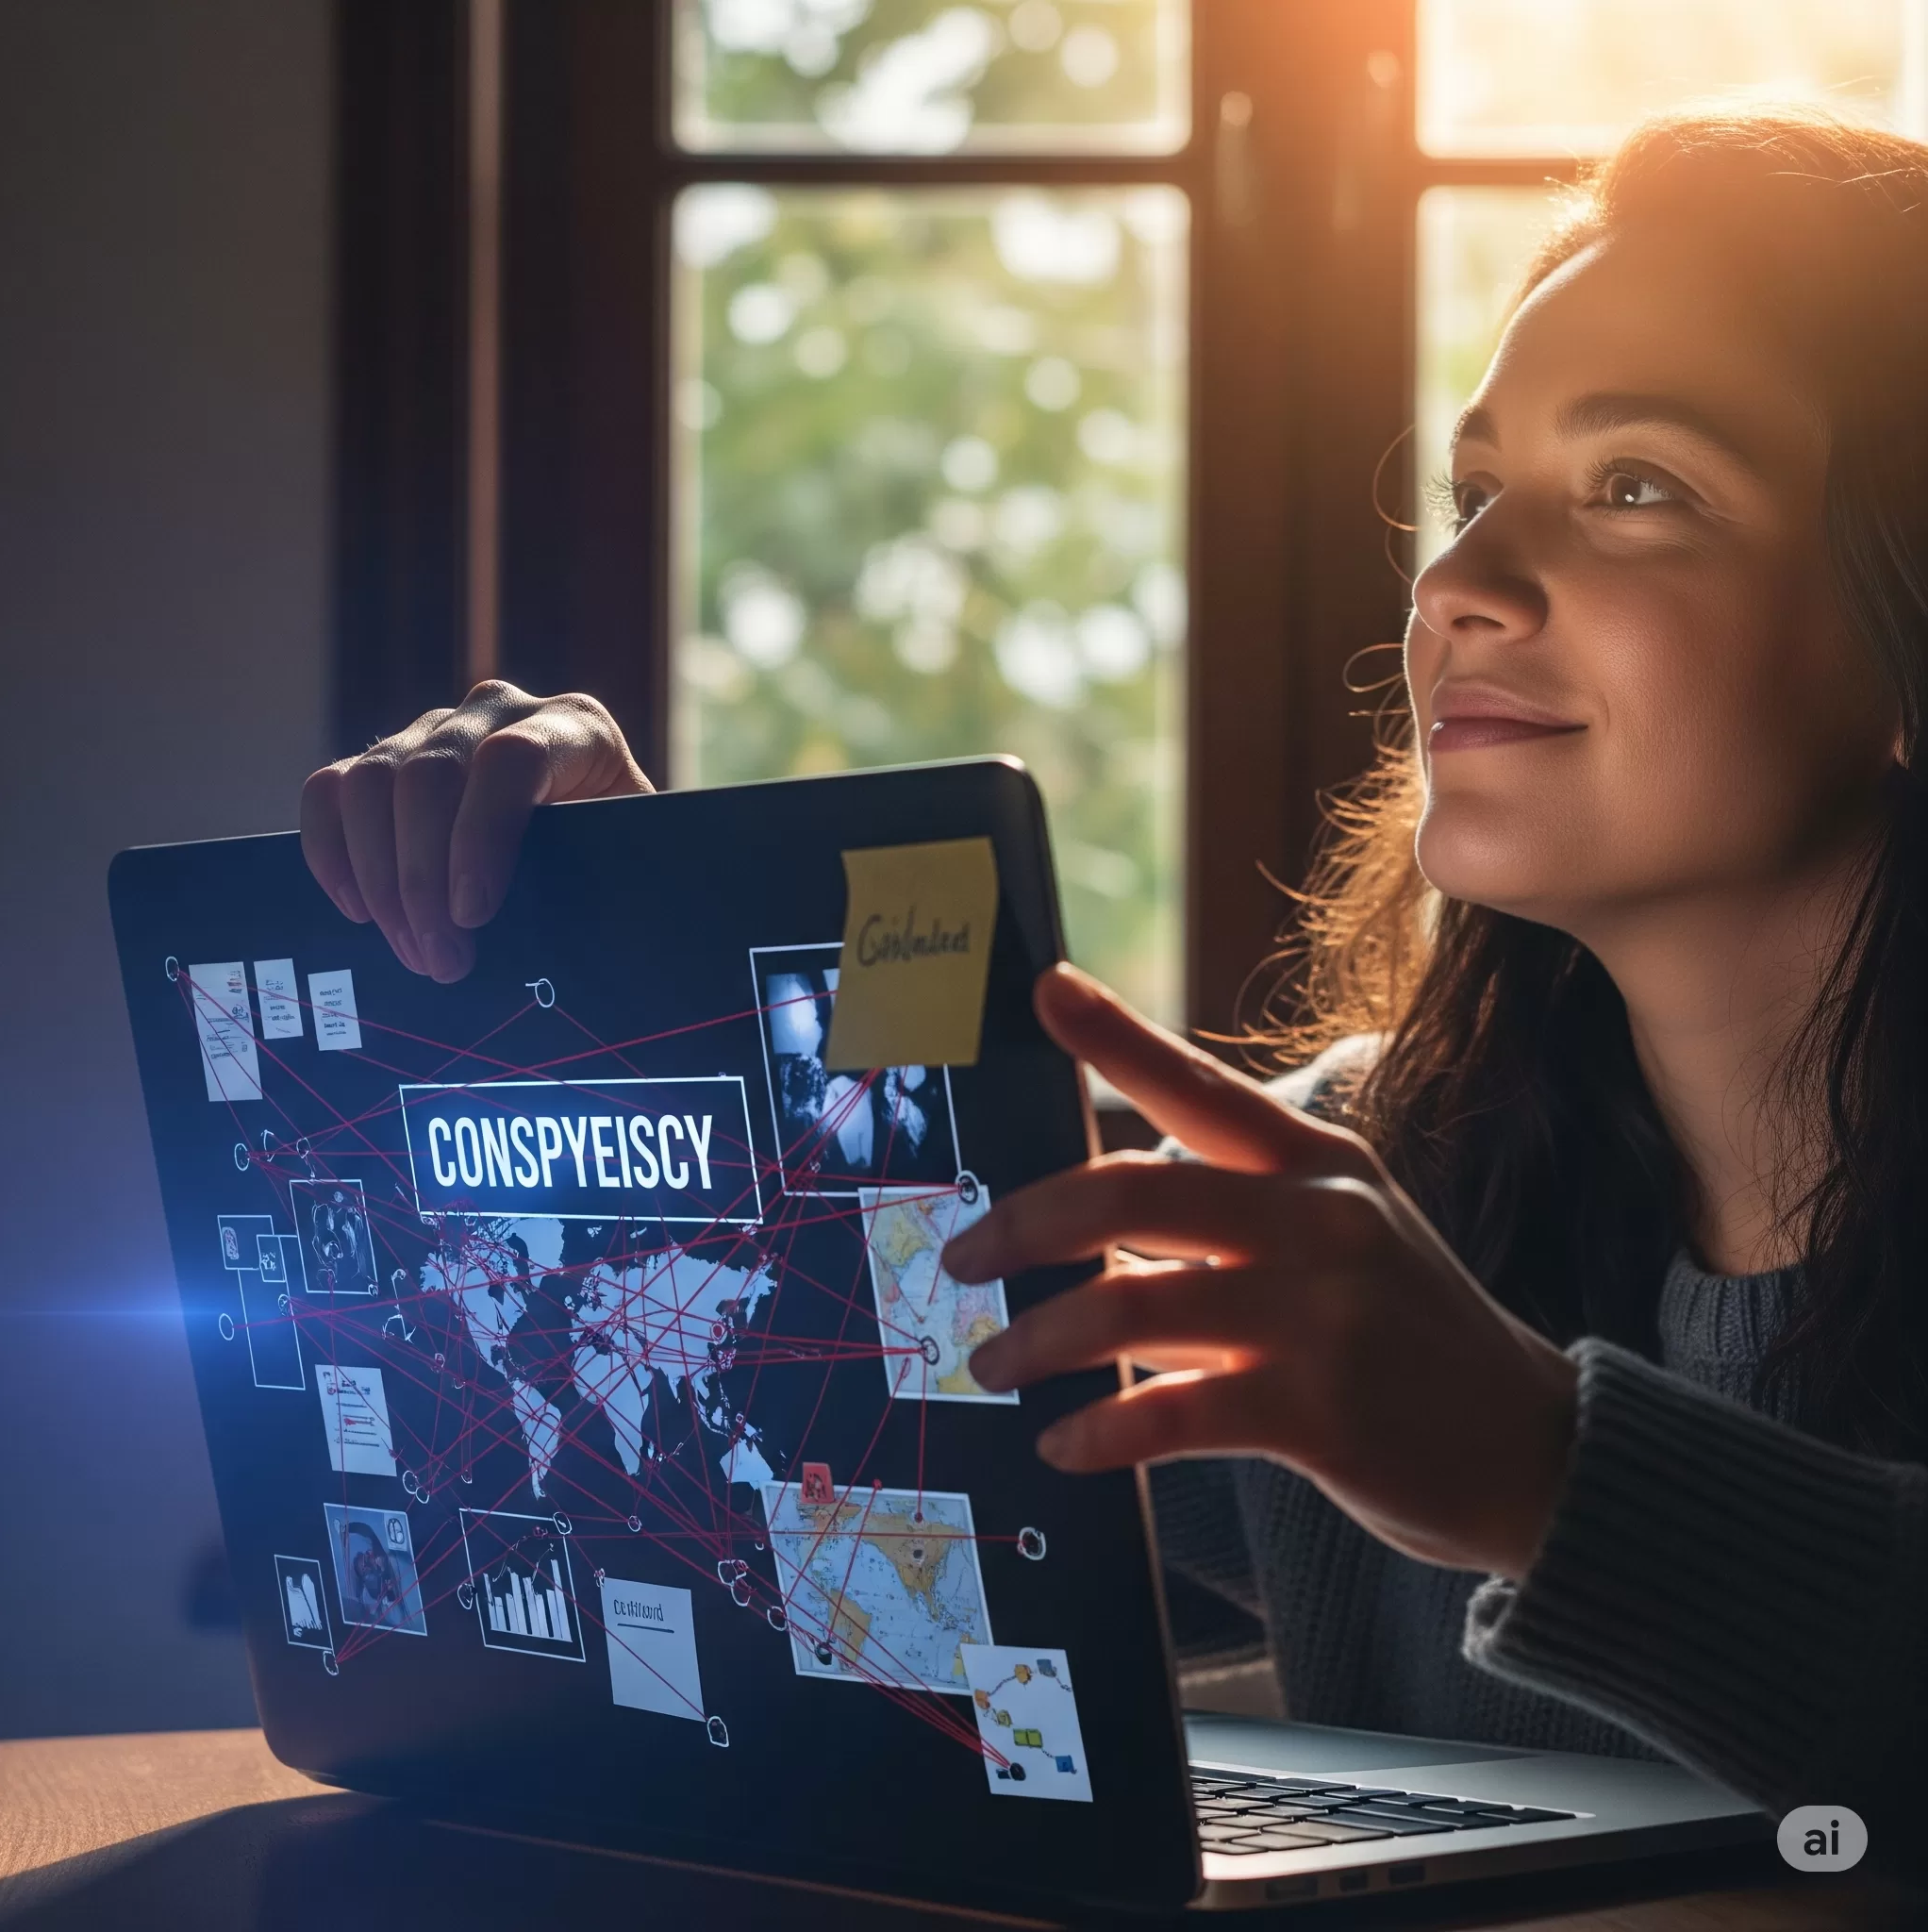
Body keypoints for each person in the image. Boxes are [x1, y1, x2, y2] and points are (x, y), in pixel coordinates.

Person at [303, 108, 1925, 1850]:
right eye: (1472, 497)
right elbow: (896, 1534)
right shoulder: (1374, 1175)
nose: (1459, 584)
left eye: (1637, 488)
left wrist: (1545, 1476)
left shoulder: (1361, 1247)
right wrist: (644, 975)